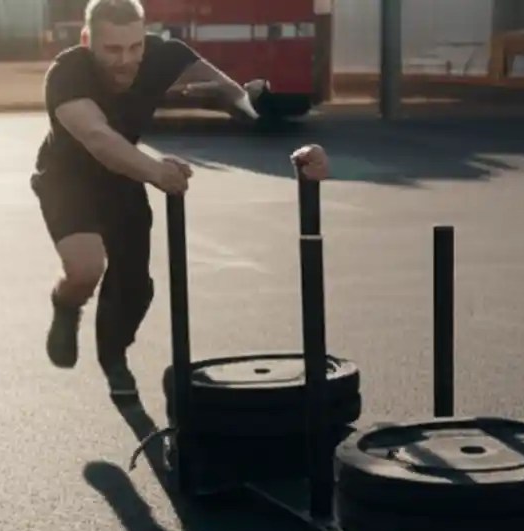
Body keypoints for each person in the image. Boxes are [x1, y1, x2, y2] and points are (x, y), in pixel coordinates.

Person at [31, 0, 330, 403]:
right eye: (112, 50)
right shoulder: (67, 73)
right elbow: (98, 139)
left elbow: (229, 90)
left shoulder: (164, 54)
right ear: (88, 41)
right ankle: (65, 306)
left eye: (135, 47)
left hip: (124, 178)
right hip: (68, 180)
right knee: (87, 268)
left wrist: (279, 131)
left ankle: (113, 355)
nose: (126, 60)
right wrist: (155, 171)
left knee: (136, 290)